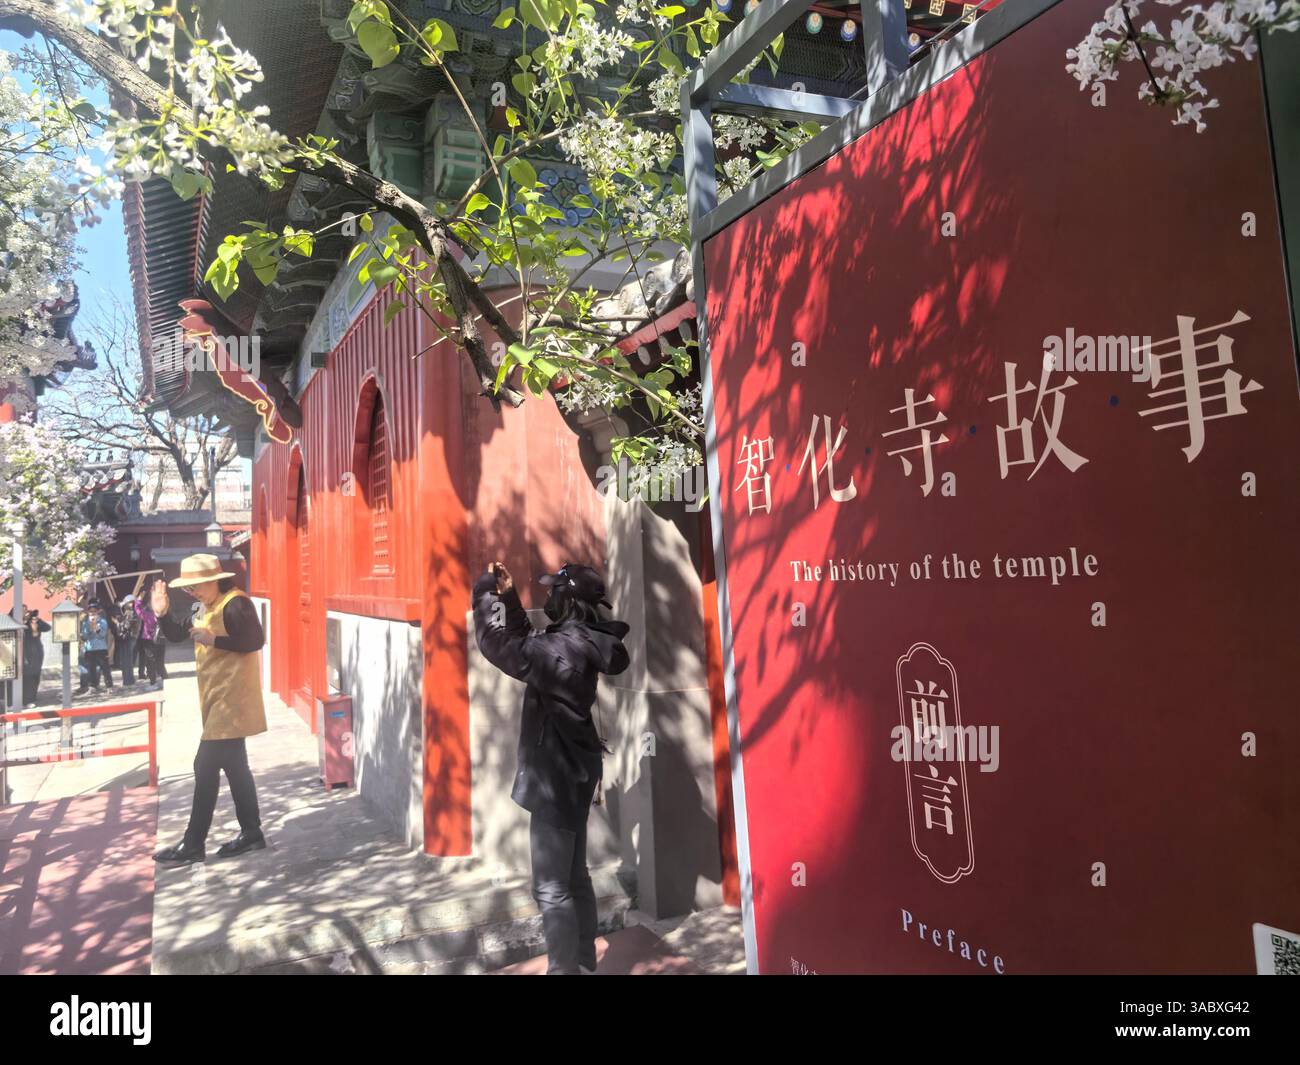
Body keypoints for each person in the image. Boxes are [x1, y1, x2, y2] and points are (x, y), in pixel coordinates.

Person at [472, 559, 630, 975]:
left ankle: (564, 971)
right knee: (574, 875)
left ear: (568, 599)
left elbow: (502, 648)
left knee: (551, 888)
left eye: (553, 591)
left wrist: (486, 593)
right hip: (574, 771)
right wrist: (507, 596)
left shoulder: (562, 650)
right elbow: (527, 642)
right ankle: (581, 959)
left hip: (557, 778)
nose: (548, 597)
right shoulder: (577, 640)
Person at [151, 554, 268, 866]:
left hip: (233, 699)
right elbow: (178, 634)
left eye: (197, 586)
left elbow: (256, 640)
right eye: (189, 589)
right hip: (215, 697)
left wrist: (214, 639)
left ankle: (193, 843)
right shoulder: (201, 607)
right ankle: (252, 833)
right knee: (235, 768)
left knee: (204, 765)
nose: (193, 593)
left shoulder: (236, 603)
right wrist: (162, 614)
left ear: (214, 579)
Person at [78, 604, 113, 694]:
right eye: (90, 611)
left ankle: (109, 687)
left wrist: (96, 627)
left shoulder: (103, 622)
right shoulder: (86, 622)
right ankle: (92, 687)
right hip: (90, 649)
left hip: (101, 648)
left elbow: (102, 635)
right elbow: (85, 636)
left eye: (94, 611)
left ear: (97, 612)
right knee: (91, 669)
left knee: (105, 668)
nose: (92, 613)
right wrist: (89, 628)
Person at [21, 609, 50, 708]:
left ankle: (30, 698)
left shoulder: (33, 621)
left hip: (35, 652)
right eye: (22, 610)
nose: (25, 612)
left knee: (33, 675)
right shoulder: (14, 621)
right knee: (20, 677)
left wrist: (36, 620)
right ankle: (17, 699)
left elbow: (47, 627)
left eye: (25, 610)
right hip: (19, 653)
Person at [134, 595, 163, 689]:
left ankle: (153, 681)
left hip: (147, 639)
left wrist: (138, 600)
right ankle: (160, 678)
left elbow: (137, 609)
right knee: (156, 659)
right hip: (157, 639)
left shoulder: (146, 614)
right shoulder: (158, 613)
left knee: (150, 661)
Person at [114, 595, 141, 688]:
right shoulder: (129, 613)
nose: (129, 605)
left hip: (129, 638)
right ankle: (127, 680)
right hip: (129, 638)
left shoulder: (131, 613)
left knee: (127, 660)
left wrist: (118, 623)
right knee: (126, 660)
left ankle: (128, 680)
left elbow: (126, 626)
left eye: (131, 603)